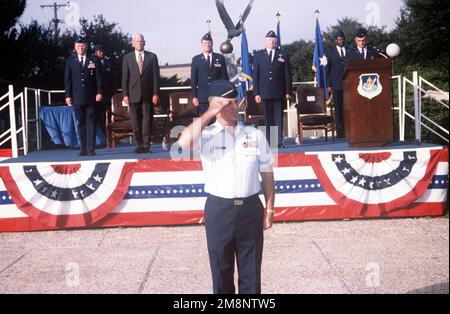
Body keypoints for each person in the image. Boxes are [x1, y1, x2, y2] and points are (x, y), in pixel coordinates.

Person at [178, 80, 276, 294]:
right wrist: (209, 112)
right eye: (229, 103)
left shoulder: (254, 134)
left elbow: (267, 175)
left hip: (250, 209)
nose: (236, 106)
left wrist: (269, 209)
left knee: (251, 275)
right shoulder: (205, 135)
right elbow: (182, 144)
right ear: (217, 106)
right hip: (218, 210)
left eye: (235, 102)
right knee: (221, 273)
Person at [122, 33, 160, 154]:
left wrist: (155, 93)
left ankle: (146, 144)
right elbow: (125, 78)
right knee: (135, 121)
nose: (139, 43)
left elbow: (156, 77)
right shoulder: (127, 58)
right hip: (133, 94)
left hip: (148, 94)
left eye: (141, 41)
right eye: (137, 41)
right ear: (133, 43)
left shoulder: (152, 57)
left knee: (147, 120)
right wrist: (125, 94)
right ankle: (138, 144)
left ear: (144, 42)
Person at [253, 31, 292, 148]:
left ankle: (278, 142)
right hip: (264, 92)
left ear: (276, 41)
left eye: (274, 40)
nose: (272, 42)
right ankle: (269, 142)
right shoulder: (258, 55)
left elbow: (287, 75)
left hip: (279, 91)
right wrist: (256, 93)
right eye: (270, 40)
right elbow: (255, 76)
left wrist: (288, 91)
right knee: (267, 118)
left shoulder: (283, 54)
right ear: (266, 41)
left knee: (278, 118)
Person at [65, 37, 103, 156]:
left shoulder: (94, 59)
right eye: (78, 46)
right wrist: (68, 95)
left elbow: (99, 78)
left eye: (82, 46)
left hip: (91, 96)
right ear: (75, 47)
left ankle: (91, 149)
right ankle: (83, 149)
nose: (80, 48)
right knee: (80, 122)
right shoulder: (70, 60)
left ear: (86, 46)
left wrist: (99, 92)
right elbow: (68, 80)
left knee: (91, 122)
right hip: (77, 97)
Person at [191, 33, 229, 116]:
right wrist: (194, 96)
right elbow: (193, 80)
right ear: (202, 44)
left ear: (212, 44)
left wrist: (225, 95)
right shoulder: (196, 60)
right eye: (205, 43)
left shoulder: (219, 58)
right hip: (202, 98)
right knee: (205, 121)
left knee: (218, 122)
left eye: (209, 43)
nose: (207, 45)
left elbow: (224, 78)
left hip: (217, 97)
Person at [326, 30, 348, 138]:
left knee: (349, 108)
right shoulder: (330, 53)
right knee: (338, 109)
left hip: (349, 84)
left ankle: (349, 130)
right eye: (339, 39)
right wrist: (329, 85)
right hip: (336, 84)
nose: (341, 41)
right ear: (336, 40)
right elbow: (327, 70)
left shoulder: (350, 51)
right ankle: (340, 132)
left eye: (342, 39)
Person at [94, 44, 115, 139]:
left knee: (109, 116)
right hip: (96, 95)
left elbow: (113, 78)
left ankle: (110, 137)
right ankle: (101, 138)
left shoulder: (109, 63)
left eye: (102, 51)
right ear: (95, 53)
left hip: (108, 95)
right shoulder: (91, 63)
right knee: (98, 117)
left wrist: (112, 91)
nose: (101, 53)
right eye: (99, 51)